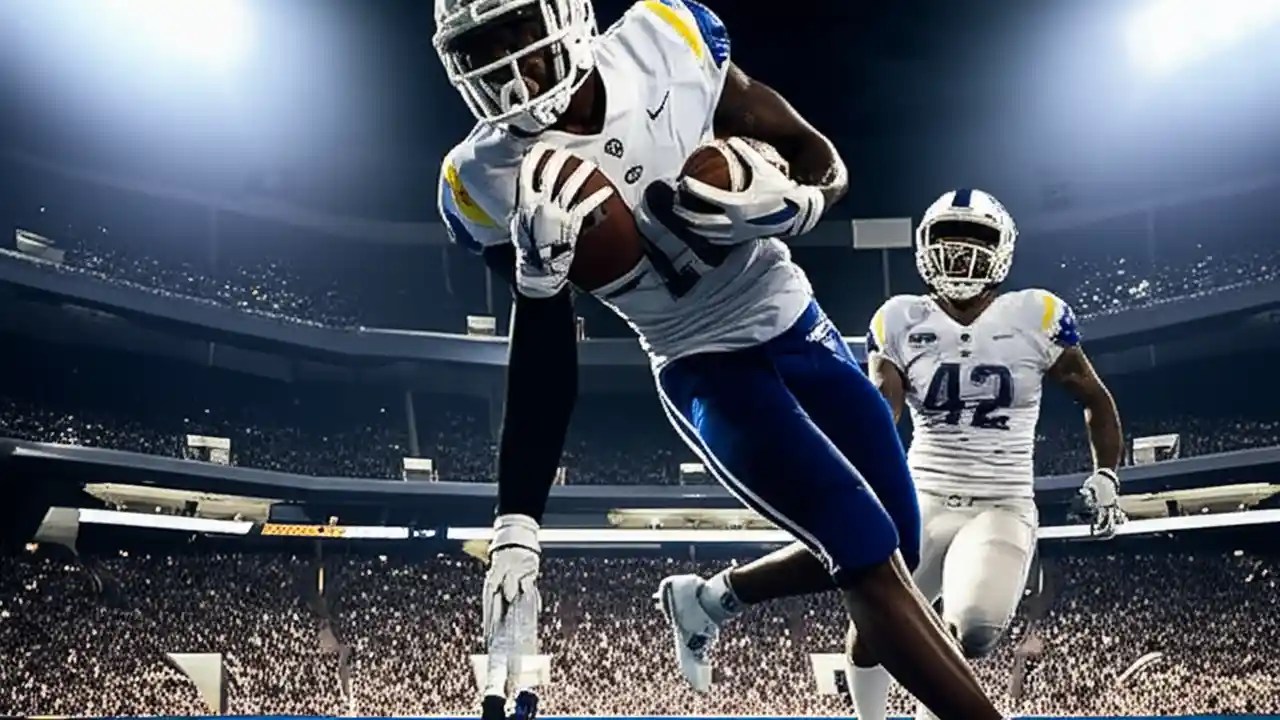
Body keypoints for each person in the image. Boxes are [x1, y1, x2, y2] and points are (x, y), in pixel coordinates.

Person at [432, 1, 1002, 718]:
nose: (508, 69)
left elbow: (815, 154)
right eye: (482, 47)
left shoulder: (663, 40)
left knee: (899, 537)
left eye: (517, 32)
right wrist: (517, 523)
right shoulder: (480, 178)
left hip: (794, 313)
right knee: (864, 550)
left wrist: (795, 204)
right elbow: (545, 343)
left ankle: (709, 598)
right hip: (698, 358)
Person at [658, 189, 1126, 720]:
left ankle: (716, 598)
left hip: (1002, 500)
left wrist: (1107, 473)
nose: (961, 256)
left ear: (1004, 249)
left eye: (975, 242)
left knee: (975, 627)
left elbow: (1095, 398)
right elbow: (882, 407)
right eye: (948, 242)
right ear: (924, 249)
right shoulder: (901, 317)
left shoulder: (1038, 315)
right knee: (872, 623)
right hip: (922, 489)